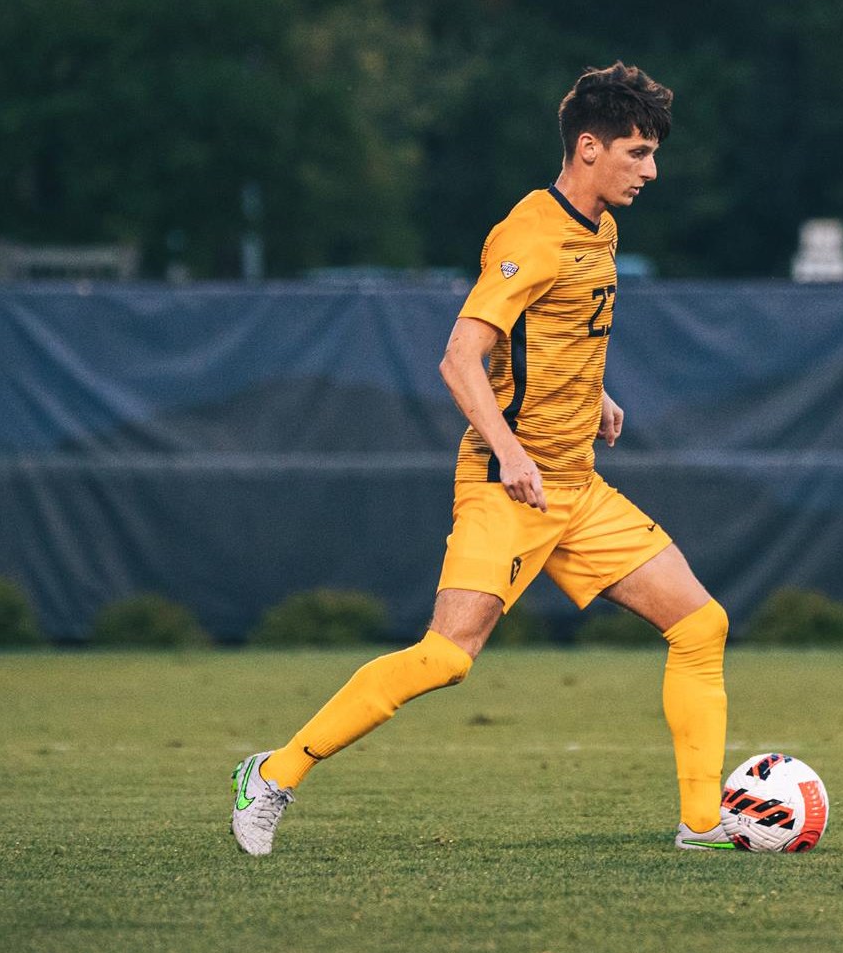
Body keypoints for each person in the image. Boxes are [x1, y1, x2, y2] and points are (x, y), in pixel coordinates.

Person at [231, 62, 736, 856]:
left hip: (576, 484)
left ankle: (703, 826)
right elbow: (460, 358)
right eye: (638, 153)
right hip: (513, 486)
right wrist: (508, 453)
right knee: (446, 657)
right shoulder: (529, 235)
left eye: (652, 153)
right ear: (589, 147)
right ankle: (271, 774)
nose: (651, 170)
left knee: (702, 623)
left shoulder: (600, 226)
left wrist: (592, 396)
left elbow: (556, 335)